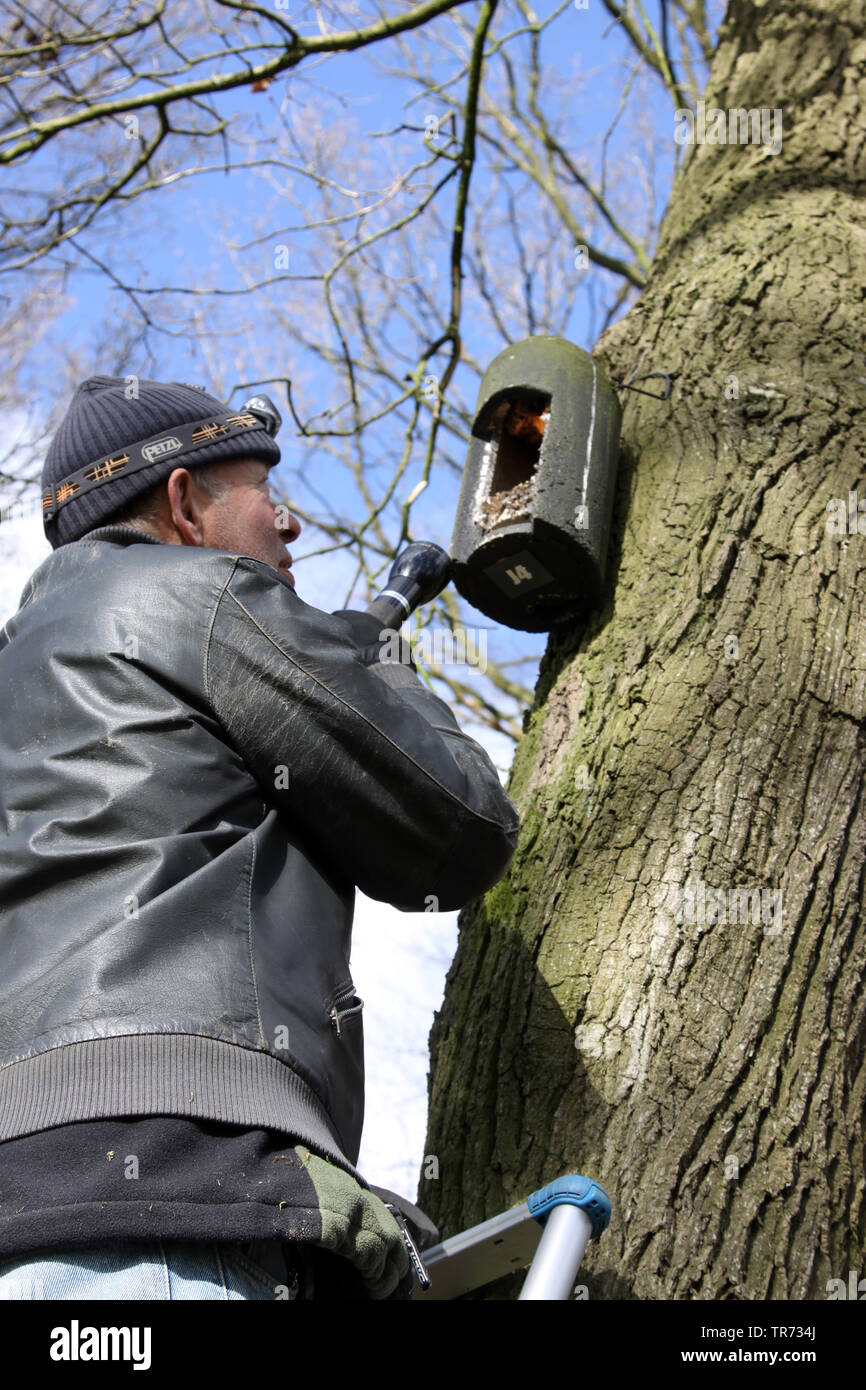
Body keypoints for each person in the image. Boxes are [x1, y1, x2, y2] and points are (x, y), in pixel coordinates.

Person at [0, 376, 520, 1301]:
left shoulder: (24, 665)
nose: (291, 528)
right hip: (178, 1200)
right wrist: (383, 671)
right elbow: (460, 828)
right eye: (265, 495)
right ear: (185, 502)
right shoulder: (198, 598)